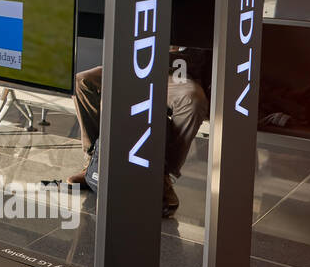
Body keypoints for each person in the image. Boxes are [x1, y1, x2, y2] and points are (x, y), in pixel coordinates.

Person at [66, 46, 210, 218]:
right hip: (138, 63)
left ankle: (163, 175)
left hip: (180, 72)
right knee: (82, 81)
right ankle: (94, 163)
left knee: (192, 101)